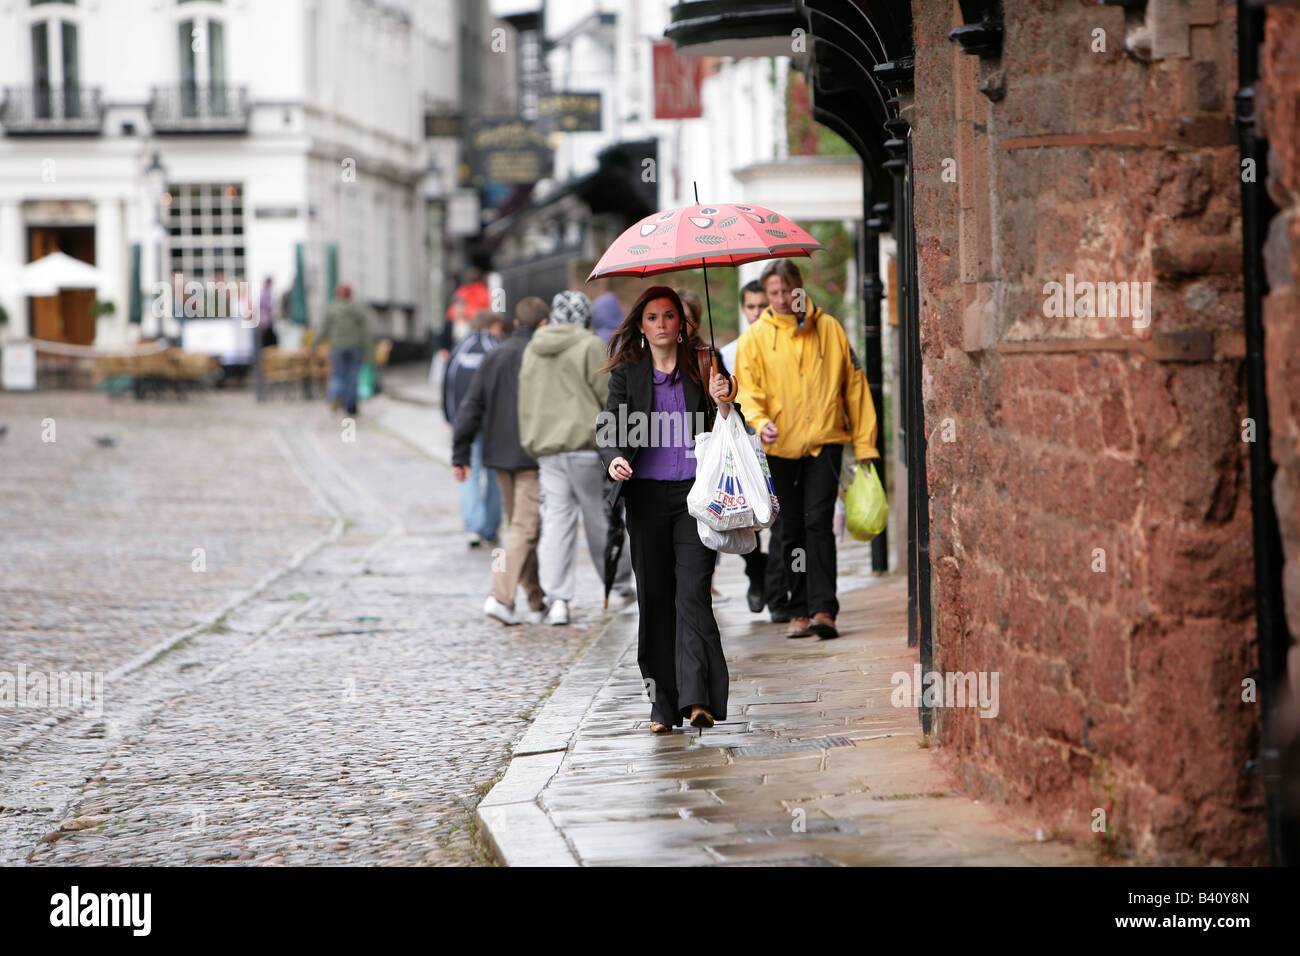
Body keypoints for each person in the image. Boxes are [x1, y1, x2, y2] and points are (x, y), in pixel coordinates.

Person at [598, 286, 740, 733]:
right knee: (655, 599)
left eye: (669, 317)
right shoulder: (628, 373)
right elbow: (608, 424)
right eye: (653, 318)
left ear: (682, 323)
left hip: (697, 500)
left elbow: (735, 424)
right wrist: (615, 457)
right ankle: (662, 706)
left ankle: (698, 699)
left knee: (693, 593)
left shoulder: (704, 365)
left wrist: (724, 399)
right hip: (645, 500)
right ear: (642, 325)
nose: (662, 324)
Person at [735, 259, 879, 640]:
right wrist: (759, 419)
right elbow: (747, 391)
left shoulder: (829, 329)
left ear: (799, 287)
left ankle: (823, 610)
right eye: (774, 293)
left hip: (825, 444)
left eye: (787, 291)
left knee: (819, 524)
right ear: (767, 294)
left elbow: (855, 388)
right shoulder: (755, 338)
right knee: (789, 529)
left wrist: (864, 444)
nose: (781, 299)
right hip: (779, 446)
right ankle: (796, 609)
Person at [518, 291, 633, 625]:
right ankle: (620, 585)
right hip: (585, 446)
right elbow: (607, 396)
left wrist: (532, 440)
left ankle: (558, 601)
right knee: (599, 518)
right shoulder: (590, 345)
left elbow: (525, 400)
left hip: (547, 450)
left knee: (556, 522)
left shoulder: (534, 348)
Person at [452, 297, 549, 627]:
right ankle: (500, 597)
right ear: (544, 324)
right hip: (531, 455)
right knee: (524, 528)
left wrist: (460, 452)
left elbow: (471, 404)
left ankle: (536, 600)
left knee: (521, 530)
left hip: (498, 455)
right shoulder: (540, 355)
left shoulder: (494, 355)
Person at [721, 279, 780, 615]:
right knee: (746, 520)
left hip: (779, 445)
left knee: (782, 524)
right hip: (744, 450)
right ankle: (756, 573)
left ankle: (777, 586)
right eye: (752, 307)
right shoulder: (729, 353)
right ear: (743, 309)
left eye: (763, 306)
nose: (757, 313)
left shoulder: (782, 346)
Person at [444, 308, 504, 548]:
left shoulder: (459, 349)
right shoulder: (497, 348)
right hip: (494, 423)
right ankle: (490, 527)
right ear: (492, 326)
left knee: (468, 472)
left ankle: (473, 527)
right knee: (494, 475)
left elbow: (446, 384)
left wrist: (451, 418)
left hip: (465, 421)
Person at [317, 282, 374, 416]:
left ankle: (336, 395)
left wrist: (315, 344)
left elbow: (323, 328)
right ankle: (351, 406)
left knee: (338, 374)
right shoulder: (357, 308)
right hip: (355, 346)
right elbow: (366, 330)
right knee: (353, 376)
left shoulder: (332, 308)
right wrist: (370, 351)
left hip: (337, 346)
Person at [258, 277, 279, 349]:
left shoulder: (269, 293)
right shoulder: (264, 293)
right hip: (266, 322)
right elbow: (264, 307)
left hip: (269, 321)